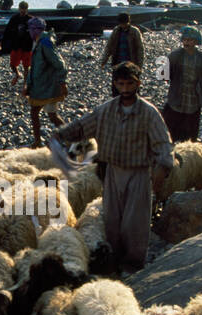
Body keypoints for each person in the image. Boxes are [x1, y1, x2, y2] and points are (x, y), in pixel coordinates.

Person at [53, 62, 173, 273]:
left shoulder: (148, 113)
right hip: (112, 170)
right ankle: (113, 259)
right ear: (115, 84)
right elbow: (83, 126)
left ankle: (133, 263)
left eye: (129, 84)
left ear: (138, 84)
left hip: (138, 172)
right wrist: (62, 134)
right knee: (112, 218)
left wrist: (163, 166)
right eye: (121, 84)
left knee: (135, 221)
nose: (125, 89)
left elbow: (162, 142)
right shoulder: (106, 110)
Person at [162, 26, 202, 142]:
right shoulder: (175, 55)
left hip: (193, 102)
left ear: (196, 42)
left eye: (190, 40)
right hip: (176, 100)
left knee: (190, 136)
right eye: (185, 40)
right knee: (169, 133)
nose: (187, 42)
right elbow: (164, 75)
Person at [22, 16, 67, 146]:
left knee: (49, 115)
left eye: (31, 29)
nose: (29, 32)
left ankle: (71, 137)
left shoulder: (45, 43)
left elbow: (59, 64)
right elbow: (35, 67)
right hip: (40, 86)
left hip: (47, 87)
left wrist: (62, 82)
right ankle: (38, 141)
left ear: (36, 30)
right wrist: (28, 86)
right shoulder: (38, 42)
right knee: (40, 113)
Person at [100, 13, 144, 95]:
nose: (123, 25)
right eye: (121, 23)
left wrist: (139, 65)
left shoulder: (134, 31)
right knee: (116, 85)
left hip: (131, 63)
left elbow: (140, 49)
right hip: (118, 62)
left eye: (124, 23)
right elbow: (109, 46)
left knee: (132, 84)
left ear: (128, 22)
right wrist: (104, 60)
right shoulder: (116, 31)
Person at [0, 1, 34, 88]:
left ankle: (25, 84)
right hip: (16, 45)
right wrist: (1, 41)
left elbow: (36, 32)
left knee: (26, 66)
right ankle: (17, 74)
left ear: (27, 9)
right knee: (12, 64)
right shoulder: (14, 18)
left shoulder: (31, 19)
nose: (23, 11)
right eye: (21, 9)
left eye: (24, 9)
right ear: (19, 8)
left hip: (27, 45)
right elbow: (7, 30)